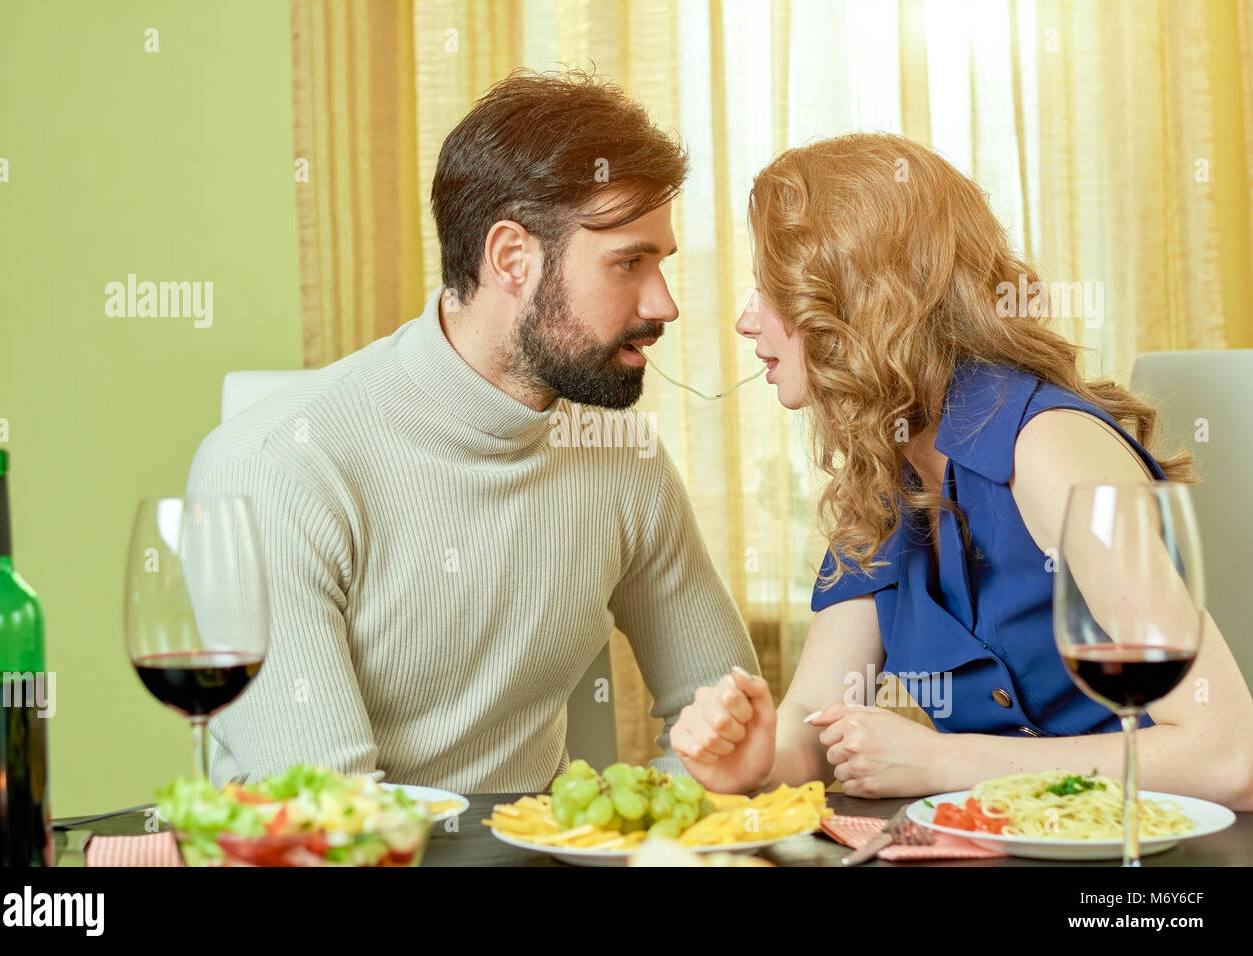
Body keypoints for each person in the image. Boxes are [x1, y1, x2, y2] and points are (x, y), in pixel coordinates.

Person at [186, 69, 758, 792]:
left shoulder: (621, 454)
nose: (664, 304)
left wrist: (633, 823)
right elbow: (332, 811)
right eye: (628, 264)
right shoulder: (274, 467)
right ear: (511, 257)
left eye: (660, 263)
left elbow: (728, 721)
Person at [671, 132, 1253, 810]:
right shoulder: (883, 473)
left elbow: (1230, 755)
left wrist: (948, 761)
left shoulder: (1048, 448)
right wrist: (759, 759)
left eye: (770, 289)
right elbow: (816, 723)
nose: (746, 321)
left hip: (1153, 846)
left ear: (857, 297)